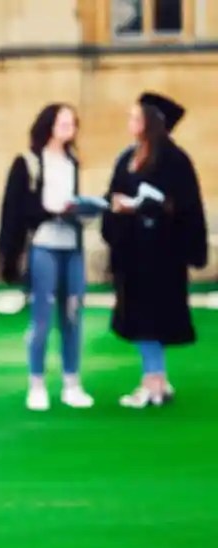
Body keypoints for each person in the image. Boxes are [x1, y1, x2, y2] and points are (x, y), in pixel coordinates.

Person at [102, 92, 207, 408]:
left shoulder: (175, 160)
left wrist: (152, 207)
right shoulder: (127, 157)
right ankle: (157, 379)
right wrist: (117, 207)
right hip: (133, 253)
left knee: (152, 317)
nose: (130, 123)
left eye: (136, 118)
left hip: (162, 255)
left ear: (151, 123)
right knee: (139, 315)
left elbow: (186, 206)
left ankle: (152, 383)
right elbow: (114, 193)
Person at [0, 103, 96, 412]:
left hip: (72, 243)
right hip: (42, 243)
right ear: (49, 125)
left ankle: (72, 382)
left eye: (72, 124)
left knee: (72, 312)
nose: (69, 128)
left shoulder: (72, 161)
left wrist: (82, 210)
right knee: (41, 316)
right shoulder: (29, 162)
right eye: (62, 122)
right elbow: (16, 208)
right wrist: (49, 212)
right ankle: (36, 382)